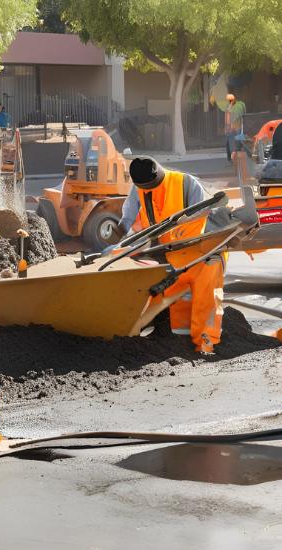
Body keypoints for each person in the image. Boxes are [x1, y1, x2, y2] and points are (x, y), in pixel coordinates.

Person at [112, 156, 225, 354]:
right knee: (164, 297)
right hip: (170, 254)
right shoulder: (138, 188)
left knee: (205, 302)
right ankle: (179, 342)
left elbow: (203, 222)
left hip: (203, 254)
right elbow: (128, 220)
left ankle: (206, 345)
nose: (145, 190)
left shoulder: (187, 184)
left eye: (150, 186)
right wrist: (115, 245)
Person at [226, 93, 246, 162]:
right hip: (239, 126)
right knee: (239, 142)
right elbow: (244, 114)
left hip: (233, 127)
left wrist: (228, 127)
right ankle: (239, 157)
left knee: (232, 143)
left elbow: (228, 117)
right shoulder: (241, 104)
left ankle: (233, 158)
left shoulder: (230, 107)